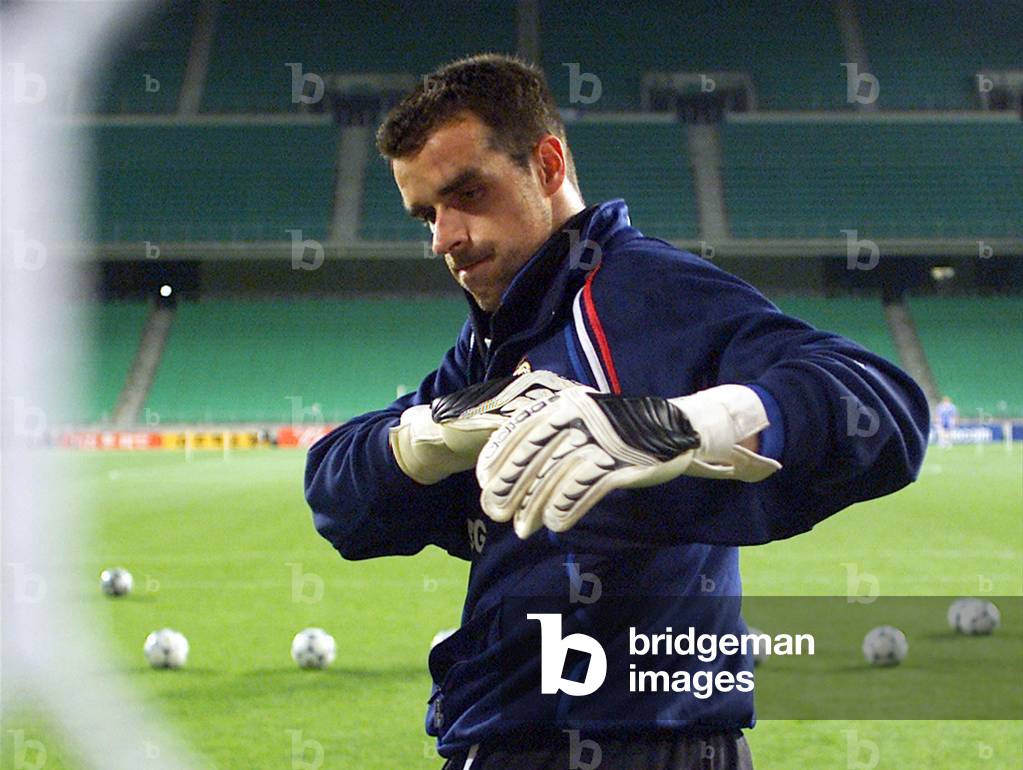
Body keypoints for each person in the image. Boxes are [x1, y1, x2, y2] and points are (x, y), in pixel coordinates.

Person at [304, 54, 930, 770]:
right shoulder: (497, 344)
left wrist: (694, 425)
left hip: (632, 743)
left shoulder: (636, 287)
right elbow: (335, 495)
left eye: (467, 195)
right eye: (426, 215)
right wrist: (425, 439)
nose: (443, 239)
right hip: (521, 739)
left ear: (545, 165)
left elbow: (883, 407)